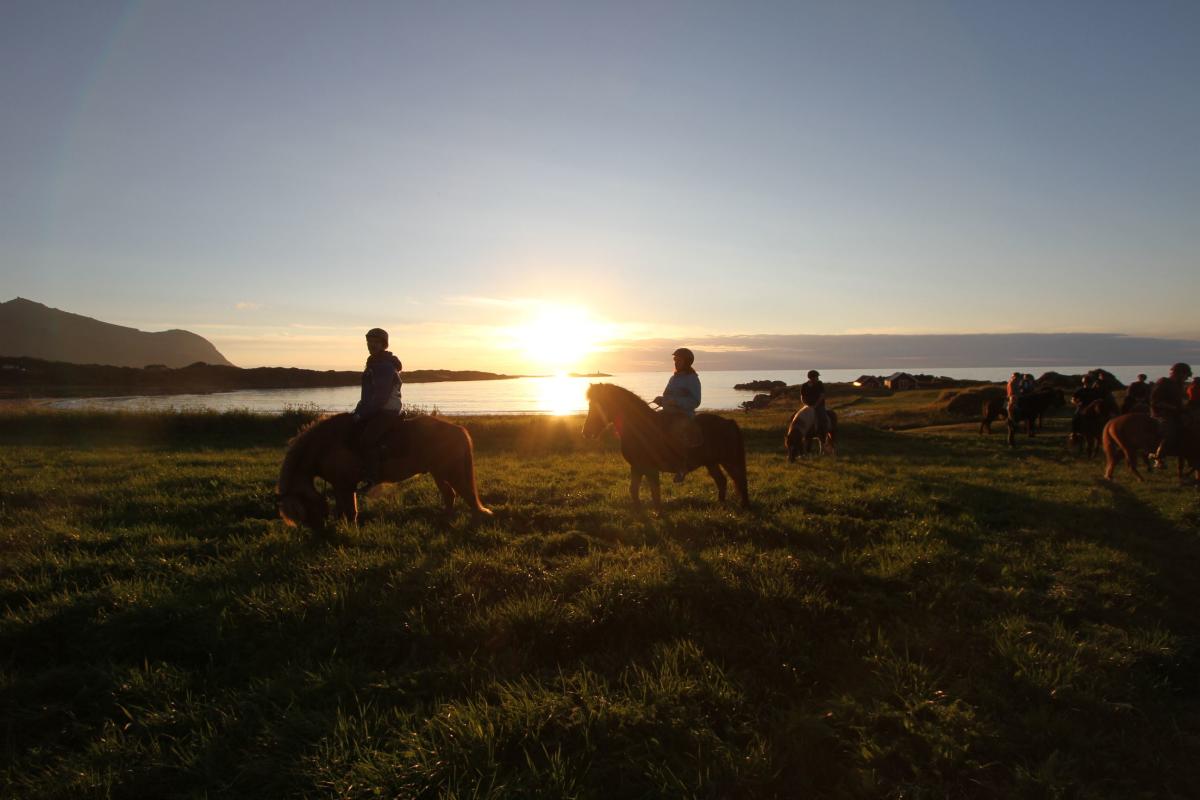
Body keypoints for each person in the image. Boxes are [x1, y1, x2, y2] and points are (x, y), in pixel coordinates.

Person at [352, 327, 403, 490]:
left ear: (383, 345)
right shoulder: (374, 363)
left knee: (367, 440)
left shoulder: (384, 366)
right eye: (369, 342)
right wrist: (358, 411)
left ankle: (372, 479)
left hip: (386, 410)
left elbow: (380, 398)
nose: (371, 345)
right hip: (377, 409)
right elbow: (367, 396)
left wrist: (362, 415)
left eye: (376, 342)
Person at [653, 347, 702, 483]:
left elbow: (695, 401)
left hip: (683, 415)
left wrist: (676, 402)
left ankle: (682, 467)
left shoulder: (692, 379)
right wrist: (661, 400)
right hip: (669, 413)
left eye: (678, 360)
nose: (675, 362)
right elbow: (667, 396)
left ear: (687, 362)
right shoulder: (673, 378)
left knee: (675, 432)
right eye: (675, 360)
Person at [1149, 362, 1192, 467]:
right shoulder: (1163, 382)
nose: (1186, 378)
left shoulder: (1178, 385)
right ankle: (1158, 456)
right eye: (1185, 375)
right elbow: (1156, 401)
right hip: (1162, 413)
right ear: (1179, 373)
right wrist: (1173, 408)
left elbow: (1183, 398)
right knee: (1169, 433)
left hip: (1175, 413)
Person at [800, 369, 830, 439]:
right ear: (811, 378)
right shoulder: (804, 386)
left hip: (819, 405)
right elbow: (802, 397)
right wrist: (807, 405)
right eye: (816, 377)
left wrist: (815, 405)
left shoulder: (819, 384)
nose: (818, 378)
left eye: (817, 377)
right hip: (808, 406)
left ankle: (824, 432)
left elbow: (822, 396)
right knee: (796, 416)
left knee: (822, 417)